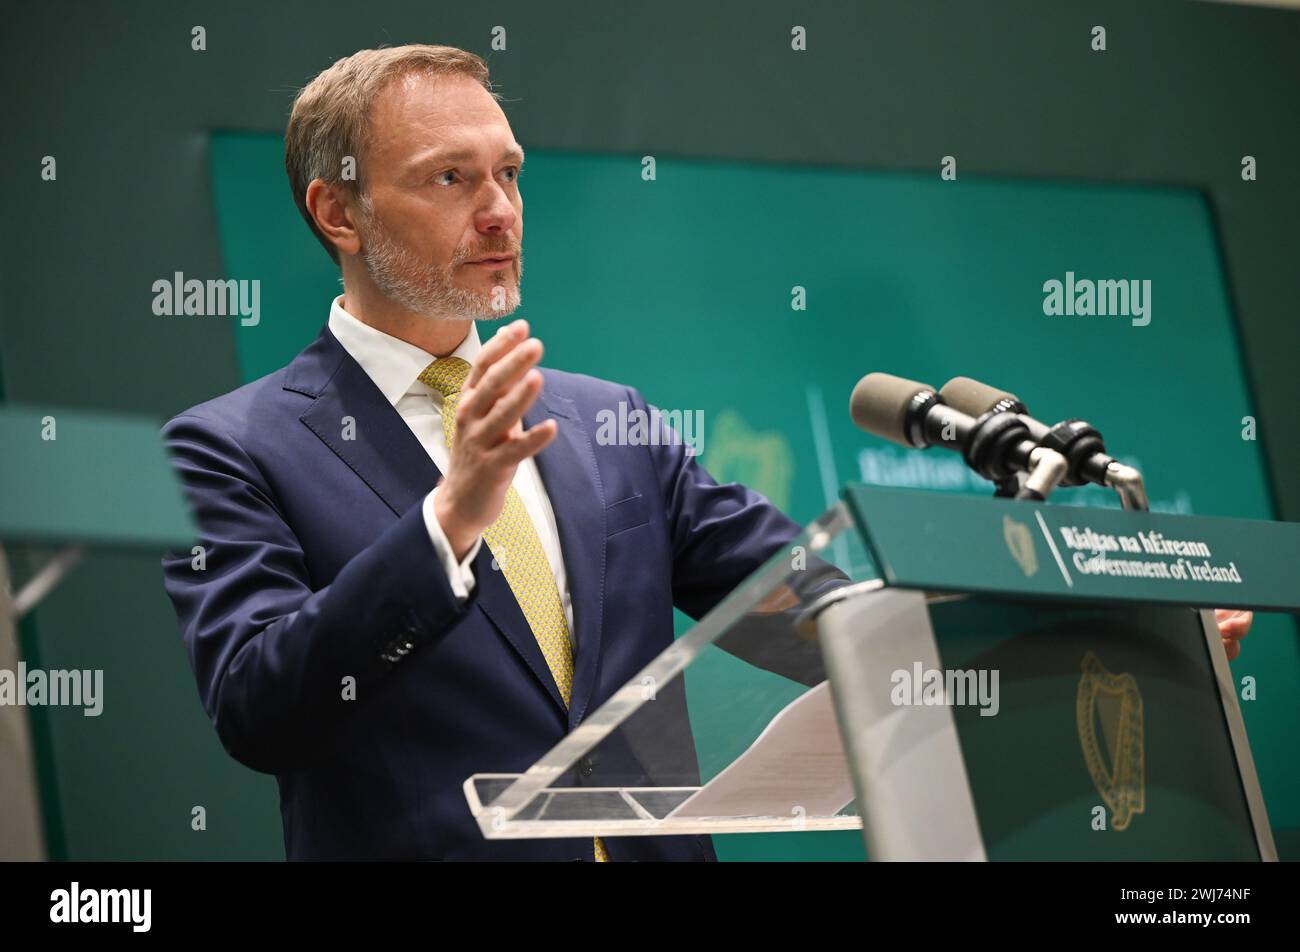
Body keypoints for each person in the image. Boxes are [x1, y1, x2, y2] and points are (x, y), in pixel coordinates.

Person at [160, 43, 1250, 861]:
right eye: (452, 179)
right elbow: (261, 705)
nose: (499, 211)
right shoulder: (233, 446)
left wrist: (1100, 660)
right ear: (336, 212)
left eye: (509, 172)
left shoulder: (604, 423)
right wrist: (450, 518)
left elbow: (827, 614)